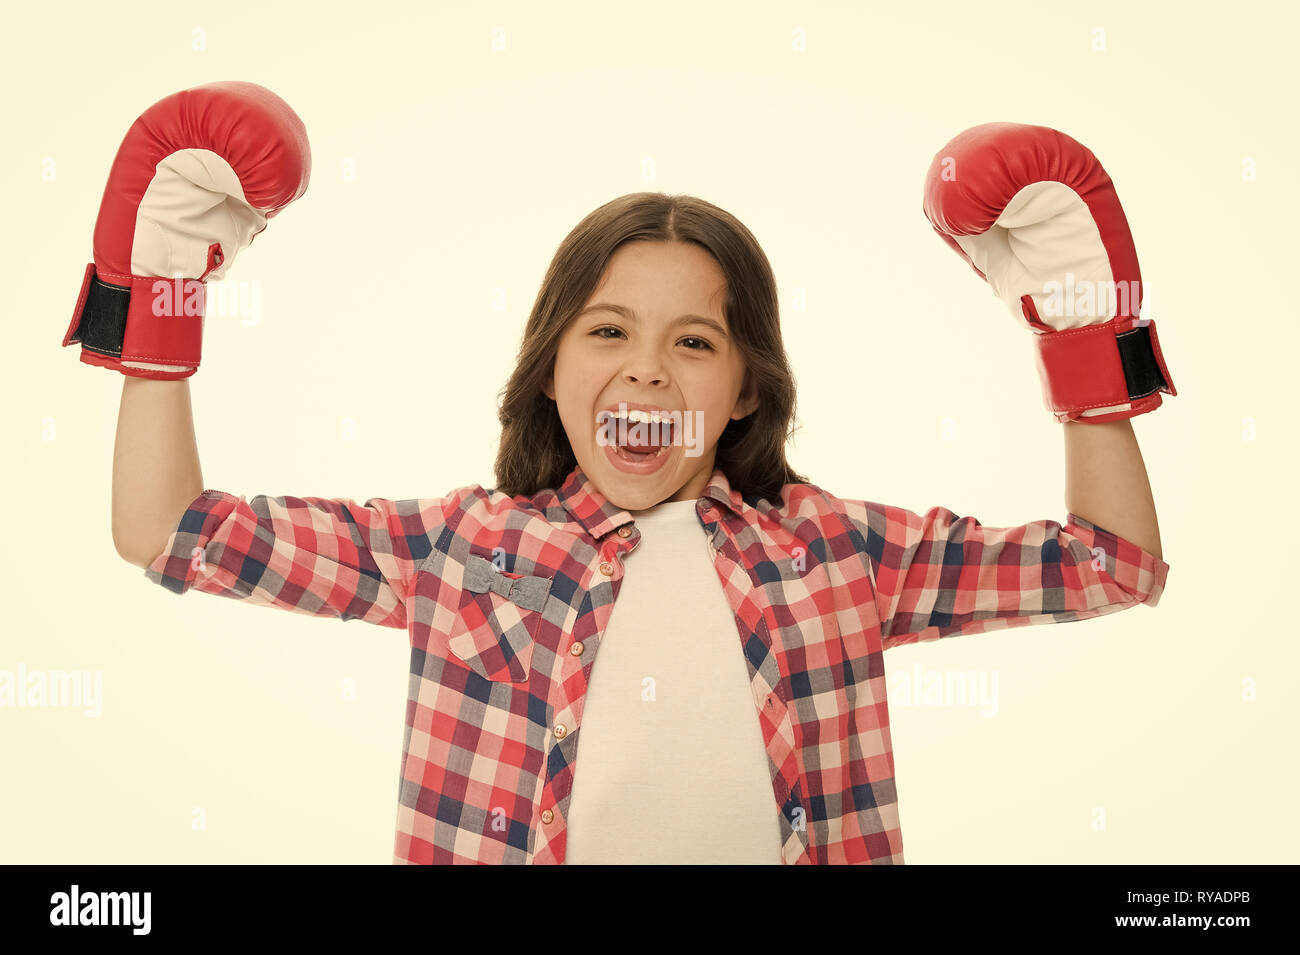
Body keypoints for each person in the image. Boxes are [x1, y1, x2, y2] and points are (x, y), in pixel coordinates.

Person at [84, 84, 1173, 865]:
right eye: (607, 330)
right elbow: (170, 530)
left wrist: (1084, 338)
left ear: (746, 388)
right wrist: (159, 305)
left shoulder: (835, 550)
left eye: (695, 342)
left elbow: (1112, 565)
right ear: (551, 367)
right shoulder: (462, 548)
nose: (648, 366)